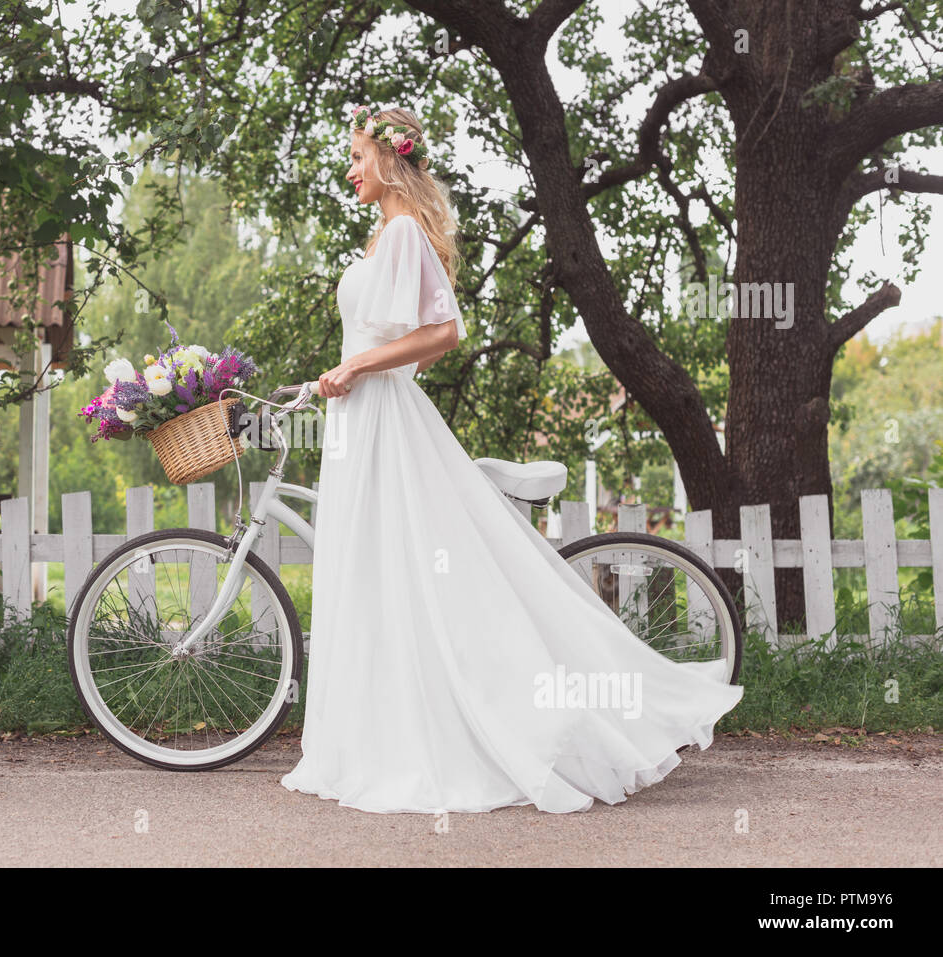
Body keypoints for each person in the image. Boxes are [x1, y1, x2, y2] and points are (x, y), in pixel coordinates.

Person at [279, 105, 744, 814]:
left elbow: (444, 332)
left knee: (419, 572)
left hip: (384, 419)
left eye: (357, 158)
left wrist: (362, 366)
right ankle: (373, 735)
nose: (350, 170)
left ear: (390, 159)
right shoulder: (383, 237)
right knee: (373, 572)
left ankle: (501, 720)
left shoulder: (405, 232)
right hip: (355, 421)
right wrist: (340, 375)